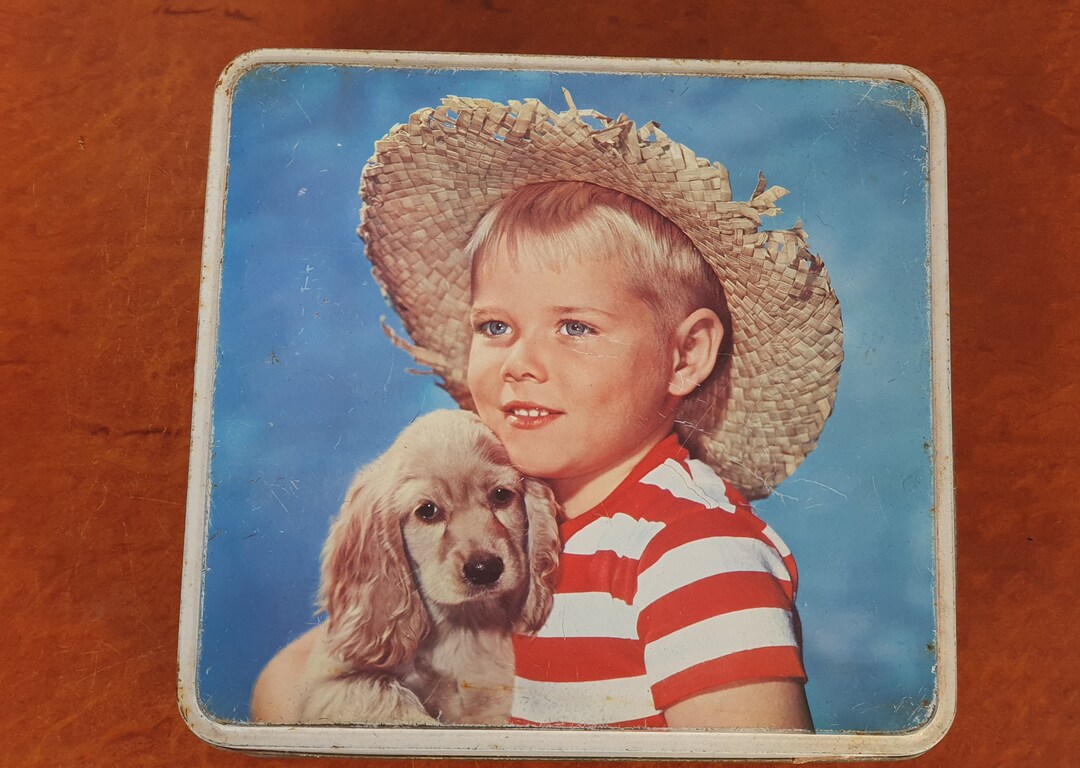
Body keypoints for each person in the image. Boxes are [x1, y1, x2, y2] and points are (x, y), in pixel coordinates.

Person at [251, 91, 843, 730]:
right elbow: (291, 680)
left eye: (575, 327)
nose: (520, 363)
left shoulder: (694, 550)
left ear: (685, 356)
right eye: (496, 326)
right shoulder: (530, 516)